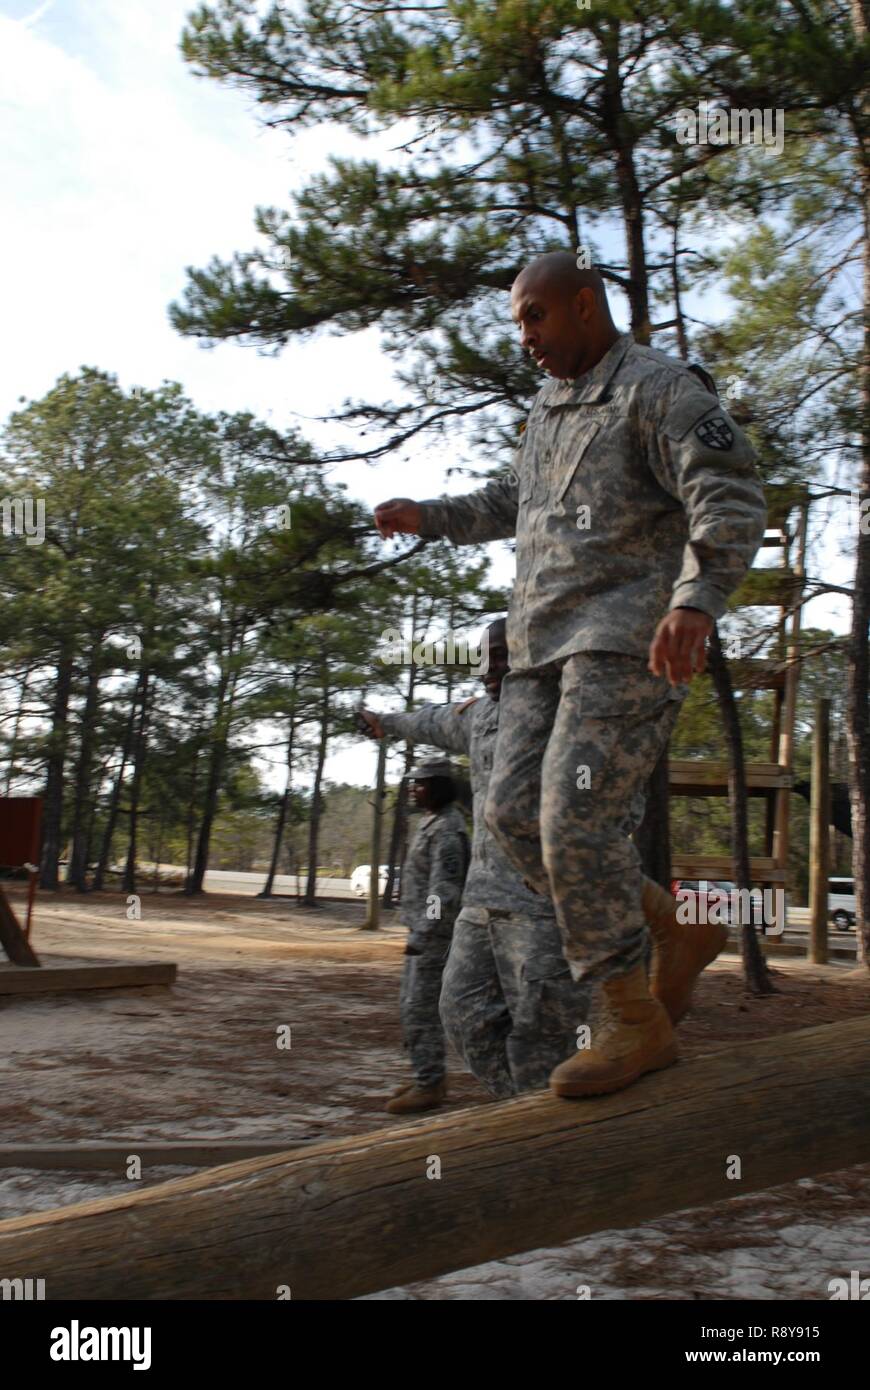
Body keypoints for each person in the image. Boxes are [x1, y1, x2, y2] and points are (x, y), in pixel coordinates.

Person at [374, 253, 767, 1099]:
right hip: (531, 654)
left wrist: (696, 600)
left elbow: (729, 491)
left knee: (570, 816)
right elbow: (508, 503)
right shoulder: (546, 409)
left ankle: (633, 1017)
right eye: (517, 322)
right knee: (514, 816)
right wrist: (427, 517)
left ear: (585, 306)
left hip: (622, 645)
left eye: (535, 318)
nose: (525, 338)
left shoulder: (659, 389)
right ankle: (674, 928)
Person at [360, 617, 724, 1099]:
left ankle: (550, 1135)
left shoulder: (571, 711)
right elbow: (429, 719)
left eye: (503, 658)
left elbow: (614, 791)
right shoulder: (479, 716)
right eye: (485, 660)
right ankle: (529, 1117)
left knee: (543, 1038)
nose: (491, 669)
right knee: (462, 1014)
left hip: (545, 909)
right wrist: (384, 724)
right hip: (481, 902)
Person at [385, 757, 469, 1114]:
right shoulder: (430, 823)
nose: (414, 789)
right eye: (413, 783)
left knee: (419, 1009)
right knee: (411, 1006)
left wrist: (424, 933)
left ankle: (429, 1084)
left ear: (438, 787)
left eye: (421, 784)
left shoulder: (448, 829)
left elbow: (445, 891)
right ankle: (426, 1076)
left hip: (434, 937)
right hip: (422, 933)